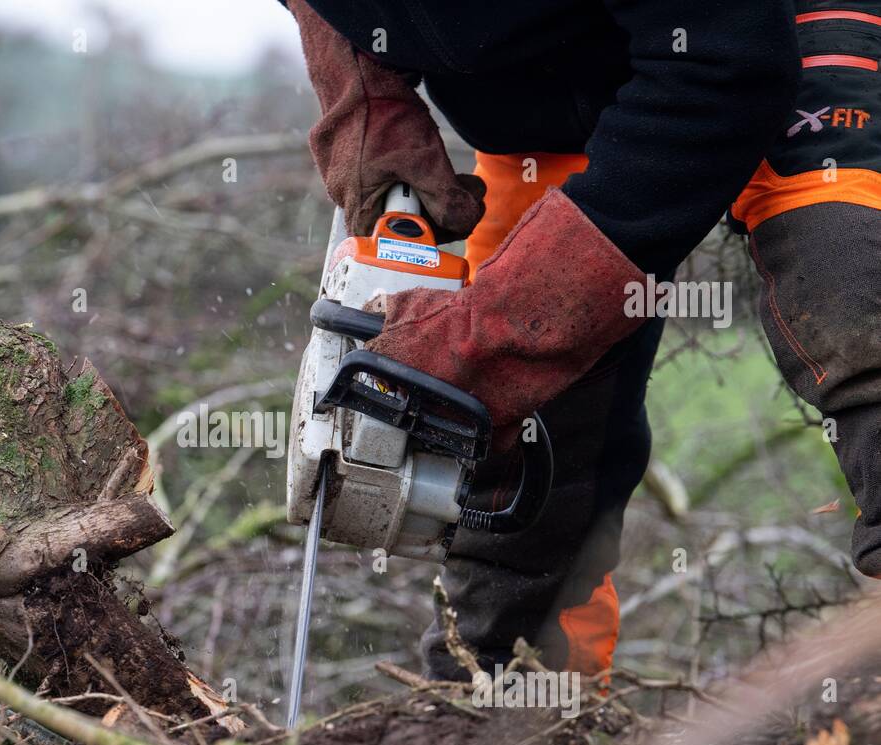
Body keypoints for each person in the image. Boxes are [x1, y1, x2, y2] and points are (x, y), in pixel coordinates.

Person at [285, 0, 881, 678]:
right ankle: (502, 714)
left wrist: (504, 329)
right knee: (521, 436)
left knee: (851, 289)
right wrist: (359, 84)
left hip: (769, 31)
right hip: (547, 89)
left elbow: (726, 66)